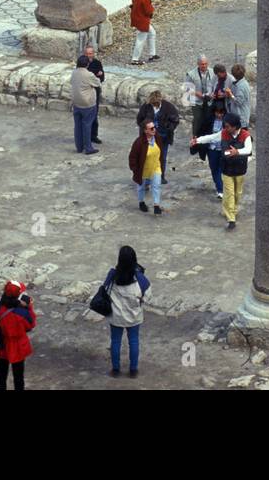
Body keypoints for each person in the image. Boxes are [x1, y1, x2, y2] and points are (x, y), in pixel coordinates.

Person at [192, 113, 252, 230]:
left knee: (237, 193)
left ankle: (231, 210)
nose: (226, 128)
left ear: (235, 126)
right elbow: (211, 137)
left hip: (240, 169)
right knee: (229, 193)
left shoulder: (246, 135)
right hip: (226, 169)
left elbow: (248, 149)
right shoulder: (224, 133)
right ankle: (231, 219)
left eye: (228, 126)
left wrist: (237, 152)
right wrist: (197, 140)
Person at [105, 245, 149, 378]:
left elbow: (105, 290)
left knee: (115, 341)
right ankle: (133, 370)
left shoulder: (112, 275)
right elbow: (147, 296)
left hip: (116, 316)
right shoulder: (139, 278)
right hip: (134, 316)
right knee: (134, 341)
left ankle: (116, 369)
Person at [0, 280, 36, 391]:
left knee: (1, 373)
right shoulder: (22, 313)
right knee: (18, 376)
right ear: (18, 295)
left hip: (1, 345)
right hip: (18, 347)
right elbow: (31, 325)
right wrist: (29, 307)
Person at [136, 89, 181, 183]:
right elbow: (139, 119)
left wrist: (169, 127)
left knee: (162, 157)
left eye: (156, 103)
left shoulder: (168, 107)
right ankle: (146, 177)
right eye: (153, 104)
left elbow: (175, 120)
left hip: (163, 136)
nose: (154, 105)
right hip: (148, 136)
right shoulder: (146, 106)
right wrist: (146, 127)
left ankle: (160, 176)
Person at [184, 55, 217, 161]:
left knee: (208, 120)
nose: (204, 66)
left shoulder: (212, 72)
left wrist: (212, 94)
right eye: (202, 64)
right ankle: (195, 140)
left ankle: (207, 140)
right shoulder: (191, 74)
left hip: (209, 101)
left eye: (206, 64)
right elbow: (187, 88)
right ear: (198, 64)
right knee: (197, 119)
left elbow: (216, 85)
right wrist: (199, 95)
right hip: (197, 101)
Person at [128, 120, 164, 216]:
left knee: (156, 186)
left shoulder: (157, 138)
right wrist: (135, 169)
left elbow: (161, 152)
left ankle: (156, 205)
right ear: (145, 131)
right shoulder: (139, 142)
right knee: (141, 188)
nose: (154, 130)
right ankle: (141, 202)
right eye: (151, 128)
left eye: (154, 127)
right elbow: (132, 157)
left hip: (155, 167)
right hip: (143, 170)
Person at [70, 55, 101, 155]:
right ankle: (88, 147)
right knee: (87, 125)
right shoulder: (89, 75)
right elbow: (97, 83)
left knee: (77, 126)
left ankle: (79, 147)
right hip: (88, 104)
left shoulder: (74, 72)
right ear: (87, 64)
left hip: (76, 102)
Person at [130, 0, 159, 65]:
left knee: (152, 33)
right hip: (143, 21)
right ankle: (135, 59)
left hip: (137, 18)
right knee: (140, 39)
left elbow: (133, 2)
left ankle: (152, 54)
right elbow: (149, 11)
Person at [204, 100, 227, 200]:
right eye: (217, 112)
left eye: (221, 112)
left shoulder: (227, 122)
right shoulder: (209, 120)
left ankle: (220, 189)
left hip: (222, 149)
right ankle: (219, 186)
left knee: (220, 169)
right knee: (213, 168)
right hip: (212, 148)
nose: (219, 115)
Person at [85, 44, 105, 145]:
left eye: (91, 53)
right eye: (88, 53)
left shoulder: (97, 63)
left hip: (95, 92)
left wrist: (95, 77)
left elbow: (102, 78)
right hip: (86, 92)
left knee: (94, 115)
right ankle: (86, 136)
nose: (90, 55)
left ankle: (94, 136)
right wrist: (95, 75)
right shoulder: (82, 63)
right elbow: (86, 78)